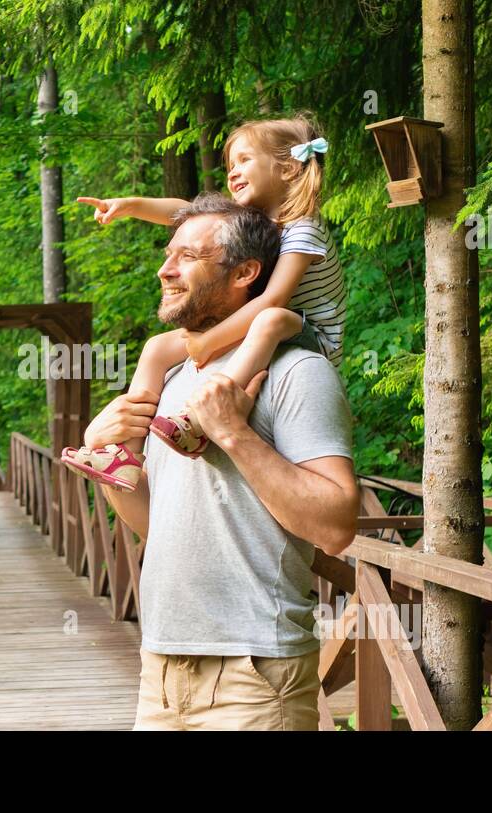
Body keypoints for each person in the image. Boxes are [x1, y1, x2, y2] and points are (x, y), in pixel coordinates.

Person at [81, 194, 359, 730]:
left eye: (188, 256)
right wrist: (107, 463)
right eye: (168, 253)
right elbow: (156, 526)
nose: (165, 269)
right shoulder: (174, 379)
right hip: (160, 665)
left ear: (245, 272)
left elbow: (336, 526)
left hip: (254, 674)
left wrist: (233, 433)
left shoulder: (297, 372)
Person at [62, 114, 346, 491]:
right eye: (230, 164)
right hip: (273, 319)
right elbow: (185, 209)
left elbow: (275, 299)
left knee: (271, 319)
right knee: (156, 348)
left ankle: (199, 420)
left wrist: (207, 343)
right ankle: (125, 456)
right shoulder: (256, 221)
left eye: (244, 160)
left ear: (289, 168)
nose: (233, 172)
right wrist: (131, 204)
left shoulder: (303, 228)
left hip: (311, 332)